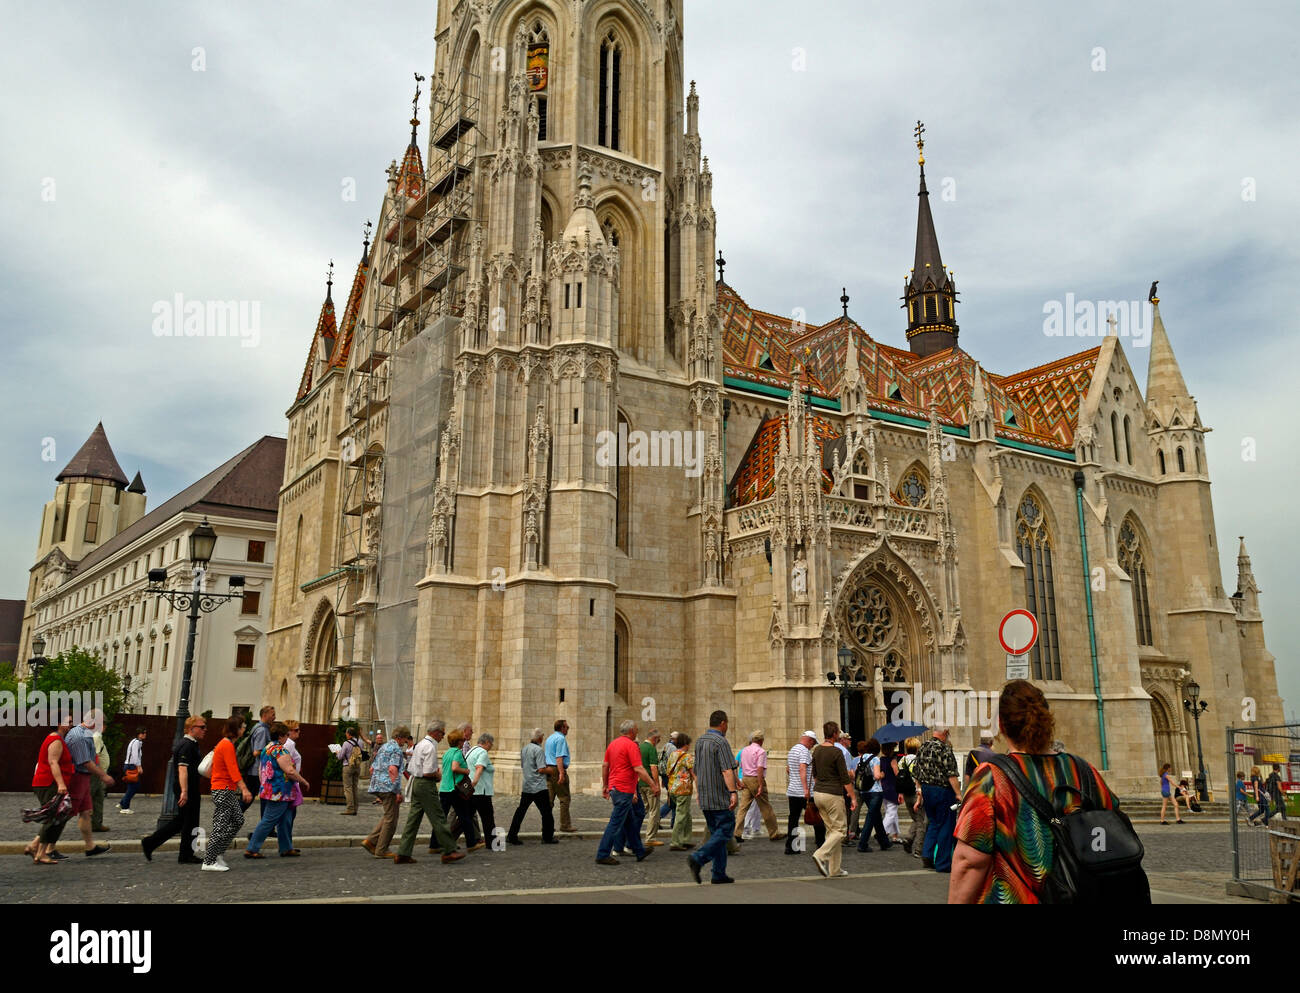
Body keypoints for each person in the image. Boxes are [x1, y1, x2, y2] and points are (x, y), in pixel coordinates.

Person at [950, 679, 1123, 904]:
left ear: (1001, 726)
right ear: (1047, 720)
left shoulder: (991, 778)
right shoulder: (1083, 770)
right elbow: (1114, 826)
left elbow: (970, 861)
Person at [395, 721, 465, 865]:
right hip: (426, 785)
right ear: (436, 732)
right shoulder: (430, 747)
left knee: (413, 820)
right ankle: (449, 850)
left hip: (416, 783)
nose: (443, 737)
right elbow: (428, 772)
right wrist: (438, 775)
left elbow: (413, 766)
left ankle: (403, 852)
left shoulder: (420, 744)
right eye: (442, 733)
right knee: (439, 817)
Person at [142, 715, 207, 863]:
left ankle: (152, 843)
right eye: (202, 727)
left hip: (189, 787)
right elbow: (182, 769)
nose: (205, 730)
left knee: (182, 821)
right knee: (189, 821)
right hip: (187, 788)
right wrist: (184, 791)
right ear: (191, 729)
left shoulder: (192, 744)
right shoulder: (186, 745)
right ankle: (185, 854)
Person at [243, 722, 310, 858]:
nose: (288, 737)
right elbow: (289, 770)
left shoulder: (267, 748)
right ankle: (252, 848)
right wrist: (303, 781)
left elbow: (261, 769)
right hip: (280, 792)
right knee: (269, 820)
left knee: (286, 819)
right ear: (280, 736)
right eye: (286, 735)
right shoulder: (280, 750)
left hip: (270, 789)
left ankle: (286, 848)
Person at [687, 710, 739, 884]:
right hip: (719, 795)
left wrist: (699, 792)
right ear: (723, 723)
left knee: (717, 834)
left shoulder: (700, 741)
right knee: (725, 830)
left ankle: (718, 873)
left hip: (705, 795)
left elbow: (696, 769)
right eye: (727, 724)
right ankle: (698, 858)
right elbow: (726, 769)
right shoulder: (720, 741)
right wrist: (733, 792)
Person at [596, 720, 657, 865]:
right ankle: (602, 853)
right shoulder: (631, 745)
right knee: (615, 823)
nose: (637, 732)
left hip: (615, 788)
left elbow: (605, 765)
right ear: (631, 731)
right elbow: (639, 769)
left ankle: (639, 851)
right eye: (636, 729)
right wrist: (653, 784)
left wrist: (605, 785)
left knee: (630, 822)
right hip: (624, 789)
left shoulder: (613, 744)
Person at [203, 715, 254, 871]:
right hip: (222, 789)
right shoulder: (226, 745)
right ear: (236, 729)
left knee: (237, 820)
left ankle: (217, 853)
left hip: (225, 789)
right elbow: (233, 770)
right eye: (243, 726)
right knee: (220, 825)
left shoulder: (227, 744)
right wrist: (244, 788)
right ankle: (209, 861)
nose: (244, 728)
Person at [64, 711, 114, 857]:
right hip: (78, 778)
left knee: (85, 813)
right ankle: (39, 844)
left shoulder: (86, 734)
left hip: (83, 777)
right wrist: (104, 776)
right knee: (64, 814)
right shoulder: (80, 736)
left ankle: (90, 846)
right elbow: (86, 761)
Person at [811, 721, 857, 877]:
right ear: (836, 733)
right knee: (840, 830)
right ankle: (821, 855)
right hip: (833, 794)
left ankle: (835, 869)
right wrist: (852, 796)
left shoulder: (816, 750)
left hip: (818, 794)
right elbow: (845, 778)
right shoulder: (837, 752)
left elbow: (815, 775)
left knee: (832, 831)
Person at [27, 714, 75, 864]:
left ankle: (36, 848)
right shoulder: (55, 740)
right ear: (60, 723)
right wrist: (61, 784)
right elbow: (53, 762)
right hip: (48, 783)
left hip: (49, 783)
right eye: (69, 722)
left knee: (57, 817)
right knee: (53, 818)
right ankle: (40, 852)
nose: (72, 725)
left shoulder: (58, 739)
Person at [915, 723, 961, 871]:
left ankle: (927, 855)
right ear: (945, 732)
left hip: (927, 789)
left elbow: (916, 772)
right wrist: (958, 794)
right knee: (946, 826)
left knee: (933, 823)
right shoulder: (944, 748)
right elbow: (951, 773)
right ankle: (943, 863)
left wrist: (920, 790)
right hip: (942, 790)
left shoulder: (923, 747)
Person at [363, 725, 411, 858]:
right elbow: (392, 770)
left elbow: (372, 769)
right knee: (392, 819)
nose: (405, 743)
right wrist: (397, 791)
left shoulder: (383, 747)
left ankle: (371, 841)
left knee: (388, 815)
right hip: (388, 787)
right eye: (405, 740)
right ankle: (381, 850)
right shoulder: (396, 749)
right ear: (399, 738)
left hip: (377, 785)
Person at [507, 728, 557, 845]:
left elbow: (524, 766)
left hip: (527, 785)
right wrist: (551, 770)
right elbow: (541, 769)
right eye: (542, 737)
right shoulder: (538, 750)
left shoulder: (524, 749)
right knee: (547, 813)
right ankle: (547, 837)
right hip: (539, 787)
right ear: (539, 738)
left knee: (520, 811)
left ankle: (512, 835)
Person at [734, 730, 784, 842]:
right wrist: (761, 784)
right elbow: (760, 768)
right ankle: (774, 833)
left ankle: (737, 832)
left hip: (745, 778)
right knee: (766, 807)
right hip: (756, 779)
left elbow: (734, 765)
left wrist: (737, 780)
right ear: (761, 740)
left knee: (743, 807)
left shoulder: (744, 750)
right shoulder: (761, 751)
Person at [439, 728, 483, 851]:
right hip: (454, 789)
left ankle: (436, 843)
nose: (464, 741)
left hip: (444, 788)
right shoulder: (457, 752)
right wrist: (467, 771)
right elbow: (454, 768)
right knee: (465, 817)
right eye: (463, 740)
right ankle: (471, 843)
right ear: (459, 742)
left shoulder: (447, 753)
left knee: (441, 818)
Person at [785, 730, 824, 854]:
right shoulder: (804, 751)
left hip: (793, 791)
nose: (812, 746)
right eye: (813, 743)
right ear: (809, 740)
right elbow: (802, 768)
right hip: (804, 792)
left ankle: (791, 847)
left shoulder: (792, 750)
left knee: (793, 819)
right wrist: (806, 788)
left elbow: (788, 769)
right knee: (817, 817)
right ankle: (821, 844)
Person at [856, 737, 891, 852]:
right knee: (871, 817)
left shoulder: (862, 758)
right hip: (875, 791)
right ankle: (863, 843)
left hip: (864, 791)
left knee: (876, 817)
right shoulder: (875, 759)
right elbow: (876, 776)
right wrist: (882, 774)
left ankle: (884, 842)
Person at [544, 719, 576, 832]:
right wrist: (561, 773)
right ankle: (565, 825)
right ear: (562, 728)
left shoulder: (549, 738)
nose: (568, 729)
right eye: (567, 727)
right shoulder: (561, 739)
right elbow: (559, 757)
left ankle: (546, 825)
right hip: (557, 769)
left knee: (549, 799)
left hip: (548, 769)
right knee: (564, 798)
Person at [466, 732, 497, 846]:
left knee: (466, 817)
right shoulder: (483, 752)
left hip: (472, 791)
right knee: (488, 818)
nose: (491, 746)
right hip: (481, 791)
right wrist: (474, 783)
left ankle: (449, 840)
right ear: (487, 742)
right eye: (491, 744)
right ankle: (492, 843)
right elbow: (479, 767)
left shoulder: (471, 750)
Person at [667, 732, 695, 850]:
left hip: (672, 787)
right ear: (686, 744)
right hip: (683, 789)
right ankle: (675, 842)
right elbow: (693, 773)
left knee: (686, 815)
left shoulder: (673, 754)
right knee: (681, 815)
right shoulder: (687, 757)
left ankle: (686, 839)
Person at [899, 736, 926, 858]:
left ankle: (909, 839)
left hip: (906, 793)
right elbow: (919, 777)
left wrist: (899, 793)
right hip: (916, 793)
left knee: (915, 819)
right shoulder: (918, 760)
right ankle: (919, 849)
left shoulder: (902, 760)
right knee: (921, 822)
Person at [639, 729, 666, 846]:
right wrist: (657, 785)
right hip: (650, 784)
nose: (658, 742)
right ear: (654, 739)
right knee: (654, 811)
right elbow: (654, 768)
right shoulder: (651, 749)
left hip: (640, 783)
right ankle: (650, 838)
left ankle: (631, 835)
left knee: (642, 811)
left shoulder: (640, 747)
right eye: (658, 740)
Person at [282, 720, 306, 853]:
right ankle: (287, 846)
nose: (298, 732)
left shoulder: (290, 744)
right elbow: (288, 763)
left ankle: (287, 845)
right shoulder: (289, 744)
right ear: (289, 732)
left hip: (291, 781)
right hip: (290, 782)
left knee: (288, 815)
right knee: (288, 815)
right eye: (296, 730)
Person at [245, 705, 275, 798]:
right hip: (257, 769)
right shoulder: (262, 730)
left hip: (256, 769)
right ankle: (234, 812)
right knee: (249, 797)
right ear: (265, 715)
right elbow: (256, 752)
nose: (275, 717)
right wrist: (272, 751)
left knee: (251, 796)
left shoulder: (258, 727)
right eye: (273, 715)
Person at [117, 728, 147, 814]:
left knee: (133, 787)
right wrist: (139, 767)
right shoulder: (136, 742)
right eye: (143, 733)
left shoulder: (137, 742)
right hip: (131, 766)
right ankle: (125, 807)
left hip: (131, 766)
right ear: (139, 734)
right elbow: (135, 755)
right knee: (134, 787)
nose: (145, 734)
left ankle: (122, 803)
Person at [880, 741, 904, 843]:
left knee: (892, 812)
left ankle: (895, 835)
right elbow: (897, 774)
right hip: (892, 788)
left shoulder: (881, 760)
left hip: (884, 787)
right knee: (892, 813)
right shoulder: (892, 760)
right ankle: (882, 832)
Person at [89, 728, 111, 832]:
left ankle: (96, 823)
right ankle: (90, 822)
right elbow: (94, 756)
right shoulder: (96, 736)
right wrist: (101, 774)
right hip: (96, 774)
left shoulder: (97, 736)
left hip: (98, 774)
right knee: (90, 798)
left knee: (98, 798)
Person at [339, 725, 365, 815]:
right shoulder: (360, 742)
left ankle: (350, 808)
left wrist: (337, 752)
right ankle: (355, 808)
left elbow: (340, 757)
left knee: (348, 788)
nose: (346, 735)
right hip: (357, 767)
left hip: (348, 766)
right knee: (354, 787)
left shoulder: (346, 743)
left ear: (349, 734)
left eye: (346, 733)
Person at [659, 731, 679, 825]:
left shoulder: (665, 746)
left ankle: (673, 822)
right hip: (670, 776)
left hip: (665, 775)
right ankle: (659, 816)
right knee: (673, 800)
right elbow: (673, 763)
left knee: (673, 800)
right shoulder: (672, 748)